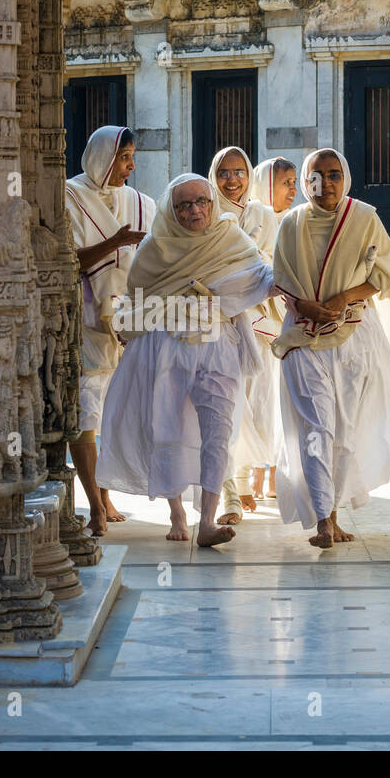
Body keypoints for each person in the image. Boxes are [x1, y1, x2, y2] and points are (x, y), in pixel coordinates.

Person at [96, 174, 274, 547]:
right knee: (168, 429)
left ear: (212, 203)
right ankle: (176, 511)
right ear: (171, 210)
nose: (195, 210)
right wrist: (177, 306)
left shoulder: (231, 238)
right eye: (184, 205)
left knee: (219, 432)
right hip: (167, 348)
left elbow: (259, 278)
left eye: (201, 202)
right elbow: (136, 304)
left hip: (217, 345)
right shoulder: (154, 247)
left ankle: (207, 521)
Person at [271, 148, 390, 549]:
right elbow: (280, 277)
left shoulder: (364, 218)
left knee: (344, 431)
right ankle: (321, 520)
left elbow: (385, 275)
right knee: (317, 426)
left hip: (353, 334)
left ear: (345, 178)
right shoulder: (291, 224)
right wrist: (305, 305)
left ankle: (332, 514)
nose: (325, 184)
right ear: (304, 181)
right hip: (302, 333)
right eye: (316, 176)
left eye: (334, 175)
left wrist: (342, 298)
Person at [64, 126, 153, 535]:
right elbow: (65, 261)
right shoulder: (68, 196)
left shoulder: (138, 203)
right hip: (84, 323)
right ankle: (96, 505)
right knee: (86, 414)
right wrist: (114, 242)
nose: (131, 166)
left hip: (130, 325)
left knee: (114, 415)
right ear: (102, 157)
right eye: (124, 157)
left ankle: (108, 493)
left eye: (132, 157)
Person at [206, 146, 278, 524]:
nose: (232, 180)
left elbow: (273, 265)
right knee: (224, 408)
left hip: (260, 326)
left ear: (249, 176)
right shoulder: (206, 214)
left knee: (256, 409)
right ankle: (228, 495)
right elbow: (206, 270)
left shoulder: (265, 216)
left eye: (239, 172)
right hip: (220, 325)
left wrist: (247, 273)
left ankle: (244, 481)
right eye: (224, 173)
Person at [246, 156, 299, 502]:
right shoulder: (252, 220)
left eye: (295, 182)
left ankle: (278, 472)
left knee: (281, 403)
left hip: (287, 322)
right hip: (255, 323)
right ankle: (252, 473)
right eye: (285, 183)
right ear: (266, 184)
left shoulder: (298, 223)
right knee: (257, 400)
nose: (293, 190)